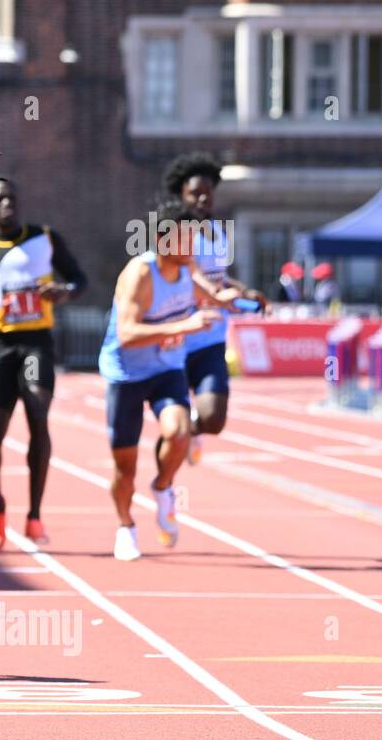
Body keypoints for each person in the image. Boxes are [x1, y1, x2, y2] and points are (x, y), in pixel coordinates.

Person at [98, 199, 241, 561]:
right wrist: (183, 326)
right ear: (163, 240)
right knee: (124, 467)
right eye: (185, 238)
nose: (192, 246)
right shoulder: (140, 274)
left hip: (166, 369)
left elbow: (210, 296)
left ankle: (162, 487)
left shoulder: (187, 265)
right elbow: (128, 333)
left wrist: (233, 299)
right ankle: (125, 526)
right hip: (128, 373)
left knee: (178, 432)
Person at [0, 179, 87, 549]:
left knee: (37, 411)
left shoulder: (45, 238)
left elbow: (79, 279)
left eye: (12, 199)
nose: (7, 205)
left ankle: (34, 514)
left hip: (36, 342)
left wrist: (64, 292)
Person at [160, 153, 265, 464]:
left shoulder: (217, 230)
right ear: (181, 194)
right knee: (172, 432)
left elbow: (218, 275)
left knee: (214, 419)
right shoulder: (174, 233)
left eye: (208, 192)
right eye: (195, 193)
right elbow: (172, 279)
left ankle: (194, 428)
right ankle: (164, 497)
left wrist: (244, 291)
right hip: (178, 341)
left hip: (211, 339)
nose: (204, 198)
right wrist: (214, 296)